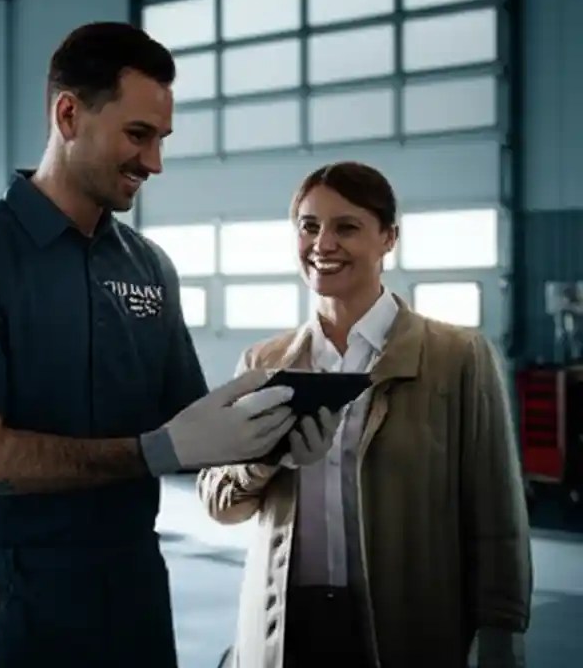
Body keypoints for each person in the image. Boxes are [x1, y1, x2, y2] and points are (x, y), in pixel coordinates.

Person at [0, 21, 335, 668]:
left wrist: (271, 439)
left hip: (134, 588)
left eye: (160, 139)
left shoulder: (148, 266)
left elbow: (189, 429)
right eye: (138, 135)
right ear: (69, 114)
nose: (154, 162)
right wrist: (155, 450)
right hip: (16, 597)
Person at [198, 162, 532, 668]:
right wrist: (268, 458)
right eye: (309, 226)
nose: (322, 243)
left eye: (346, 227)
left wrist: (502, 632)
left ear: (388, 238)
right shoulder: (264, 364)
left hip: (404, 627)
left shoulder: (457, 358)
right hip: (287, 629)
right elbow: (221, 503)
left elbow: (496, 511)